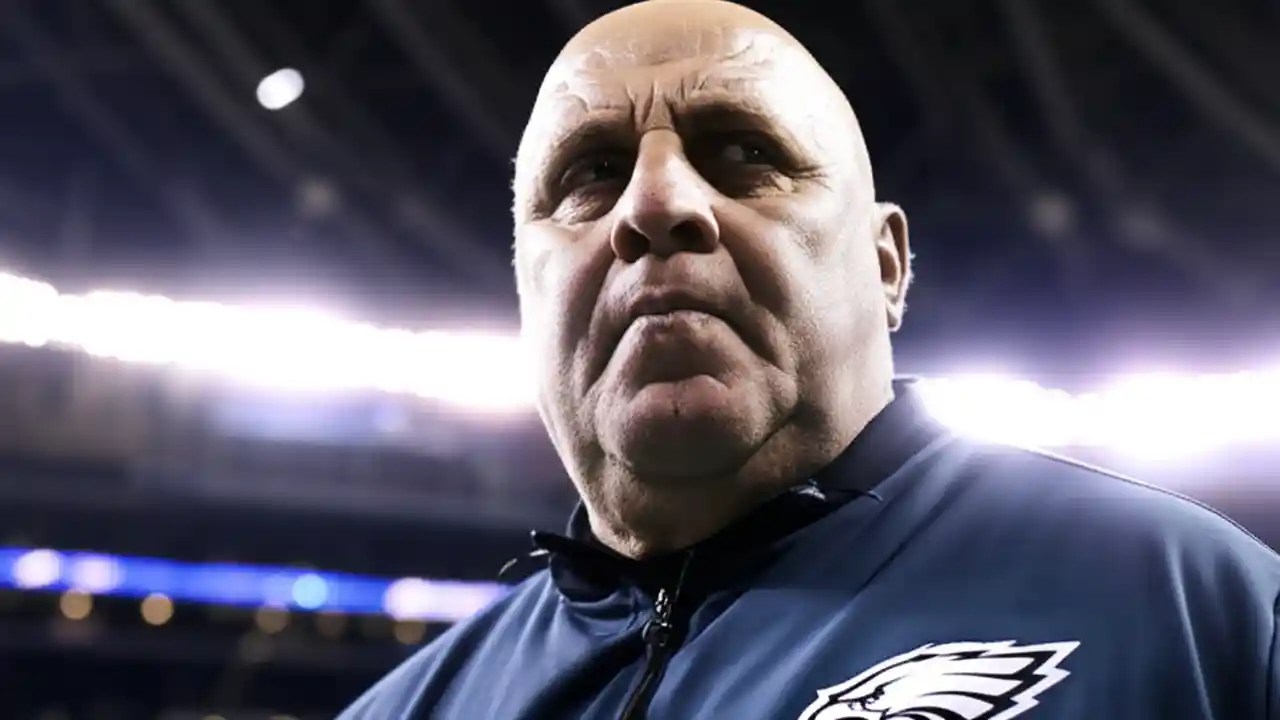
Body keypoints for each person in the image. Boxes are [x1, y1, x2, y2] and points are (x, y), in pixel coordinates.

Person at [340, 1, 1279, 717]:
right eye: (590, 174)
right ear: (527, 291)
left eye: (744, 152)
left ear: (886, 265)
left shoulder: (1195, 608)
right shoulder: (409, 706)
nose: (655, 203)